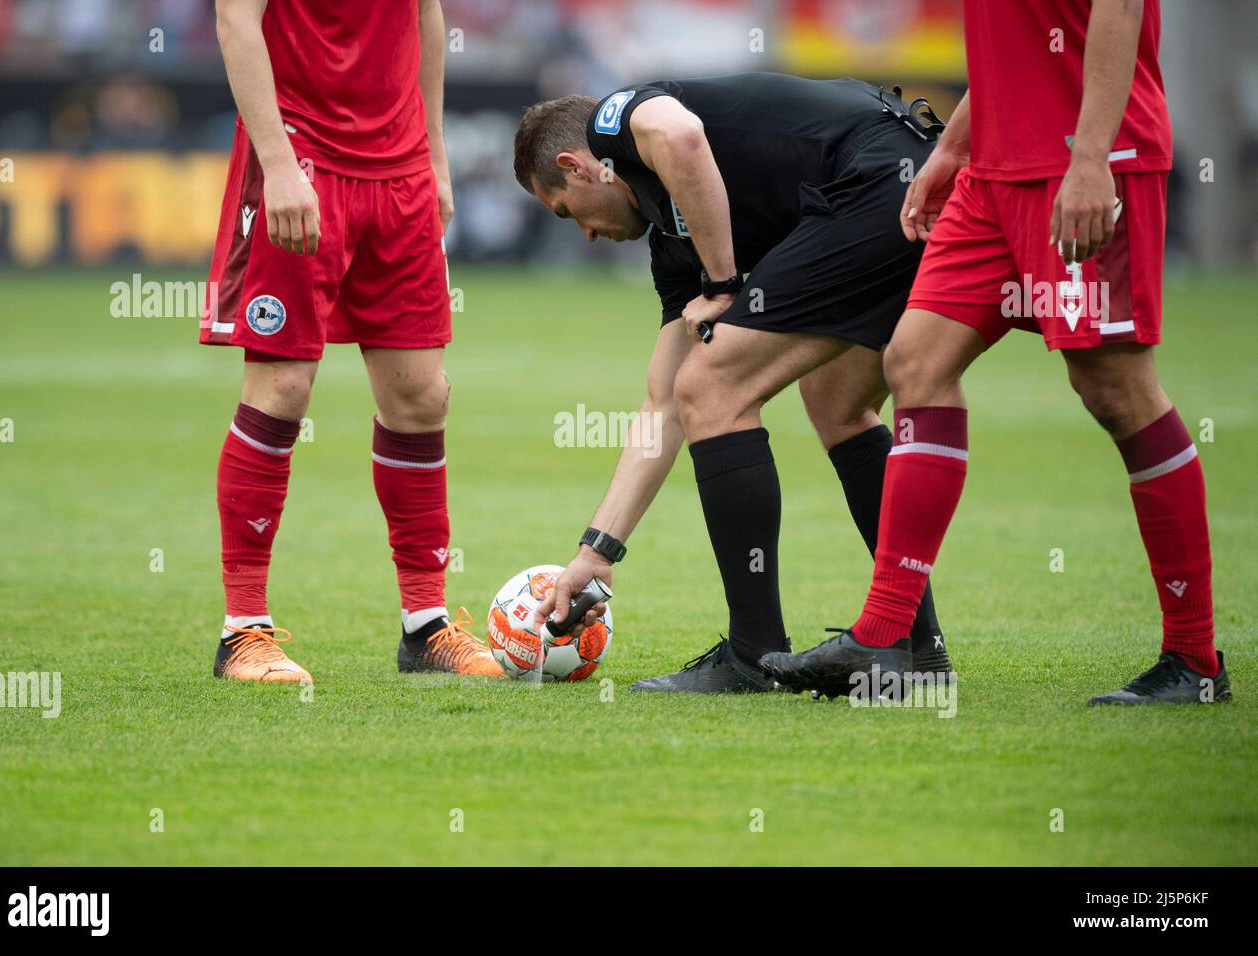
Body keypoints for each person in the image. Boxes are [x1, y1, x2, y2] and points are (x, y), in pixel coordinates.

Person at [759, 0, 1231, 706]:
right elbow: (1016, 42)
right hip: (996, 168)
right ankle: (887, 638)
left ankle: (1195, 660)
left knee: (1114, 388)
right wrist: (954, 146)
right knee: (916, 360)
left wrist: (1091, 156)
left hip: (1083, 162)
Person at [512, 73, 952, 693]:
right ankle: (914, 649)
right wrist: (595, 554)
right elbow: (662, 405)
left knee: (715, 389)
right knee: (837, 402)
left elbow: (682, 134)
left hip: (882, 181)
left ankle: (754, 654)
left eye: (566, 211)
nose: (582, 233)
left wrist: (722, 284)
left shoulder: (612, 122)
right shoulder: (671, 243)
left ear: (578, 167)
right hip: (903, 185)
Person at [200, 0, 501, 682]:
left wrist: (434, 155)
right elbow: (235, 20)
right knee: (282, 387)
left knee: (421, 396)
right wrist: (274, 161)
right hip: (300, 157)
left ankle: (426, 626)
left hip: (399, 171)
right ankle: (243, 631)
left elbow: (426, 16)